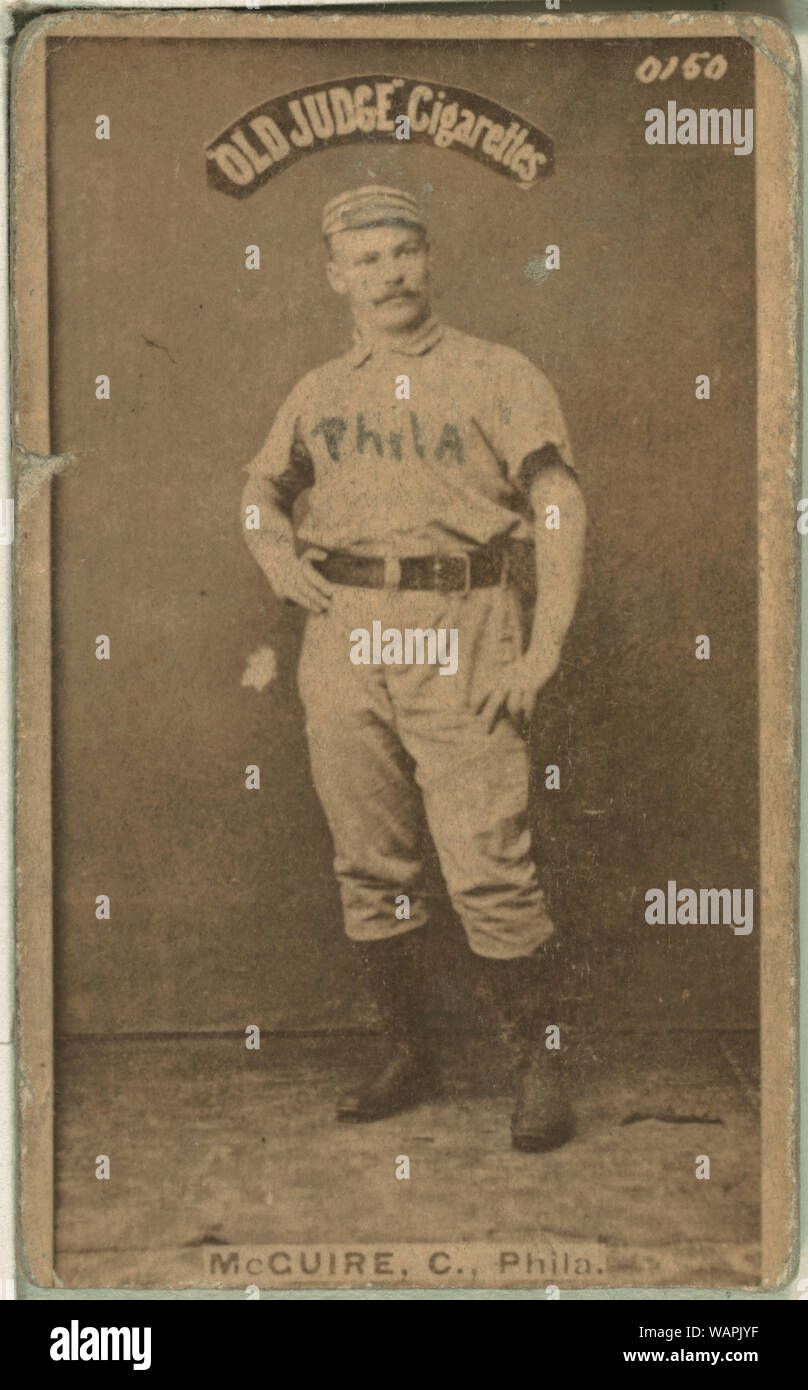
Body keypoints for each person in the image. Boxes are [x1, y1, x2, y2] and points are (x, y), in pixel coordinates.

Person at [242, 185, 586, 1151]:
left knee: (490, 863)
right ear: (335, 277)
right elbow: (258, 491)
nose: (388, 274)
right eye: (366, 260)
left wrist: (547, 641)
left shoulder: (497, 372)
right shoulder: (318, 390)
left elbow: (557, 504)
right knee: (371, 860)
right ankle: (409, 1050)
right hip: (347, 631)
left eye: (403, 254)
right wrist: (274, 554)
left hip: (463, 620)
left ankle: (539, 1063)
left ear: (429, 261)